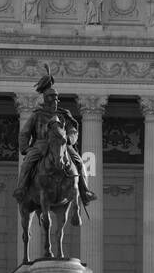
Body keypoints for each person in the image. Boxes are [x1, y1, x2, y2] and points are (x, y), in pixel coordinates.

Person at [18, 69, 97, 219]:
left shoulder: (63, 115)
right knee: (28, 163)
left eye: (56, 100)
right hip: (40, 145)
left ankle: (85, 191)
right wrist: (26, 149)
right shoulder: (37, 115)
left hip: (62, 144)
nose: (55, 102)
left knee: (80, 162)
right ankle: (21, 188)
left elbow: (73, 130)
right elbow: (25, 133)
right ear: (46, 100)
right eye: (52, 100)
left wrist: (69, 140)